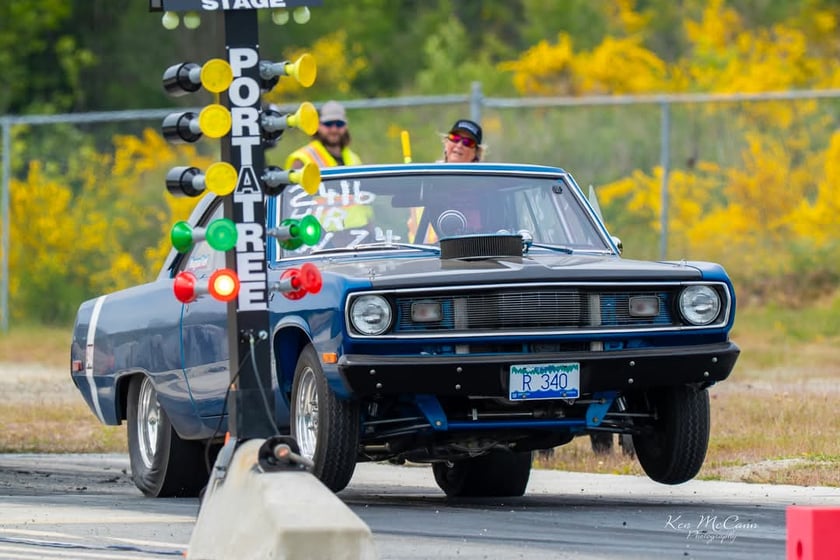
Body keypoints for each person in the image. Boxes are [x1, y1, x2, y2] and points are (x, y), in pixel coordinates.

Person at [285, 100, 362, 170]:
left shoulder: (354, 159)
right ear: (318, 125)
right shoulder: (302, 159)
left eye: (339, 124)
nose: (334, 129)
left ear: (346, 126)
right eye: (328, 124)